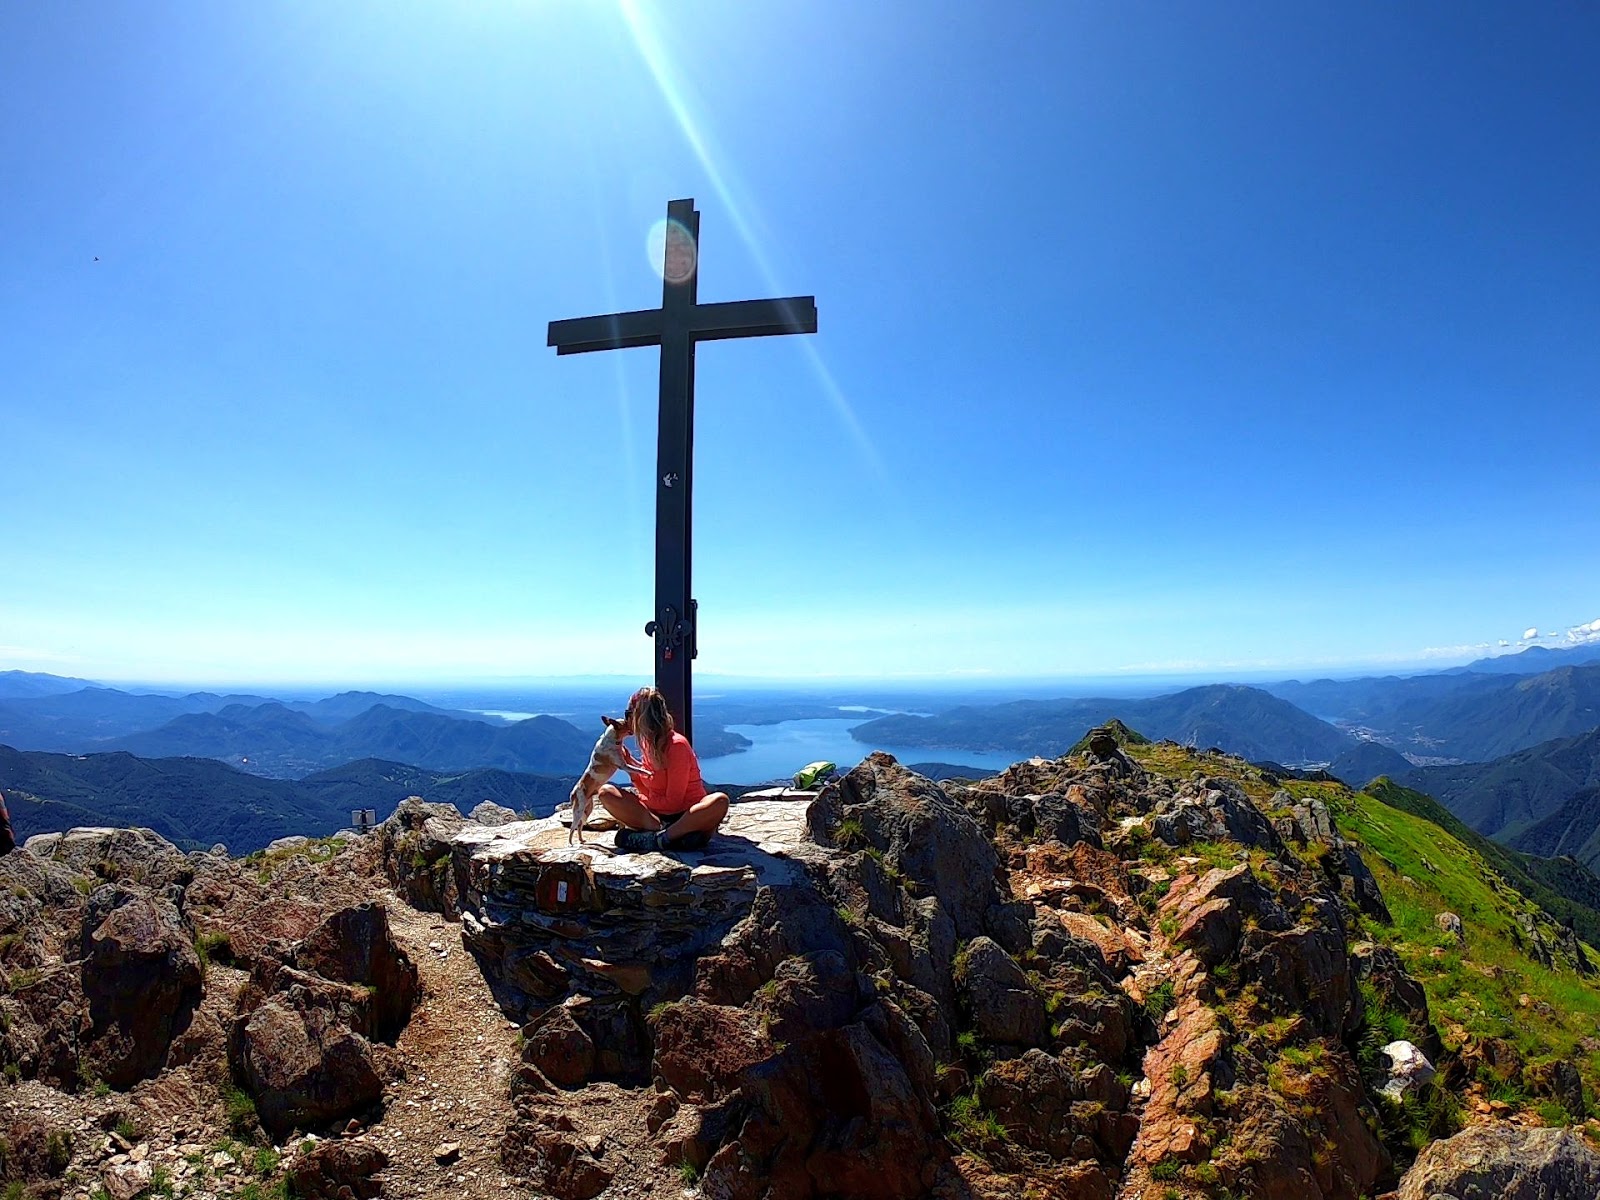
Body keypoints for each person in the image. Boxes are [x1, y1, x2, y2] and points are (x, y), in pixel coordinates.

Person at [597, 686, 729, 852]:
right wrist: (630, 765)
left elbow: (673, 803)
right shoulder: (647, 744)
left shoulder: (676, 746)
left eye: (628, 714)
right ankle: (675, 838)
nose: (626, 720)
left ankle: (661, 838)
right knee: (606, 793)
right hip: (656, 817)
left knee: (719, 801)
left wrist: (642, 800)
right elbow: (648, 788)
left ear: (640, 717)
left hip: (687, 814)